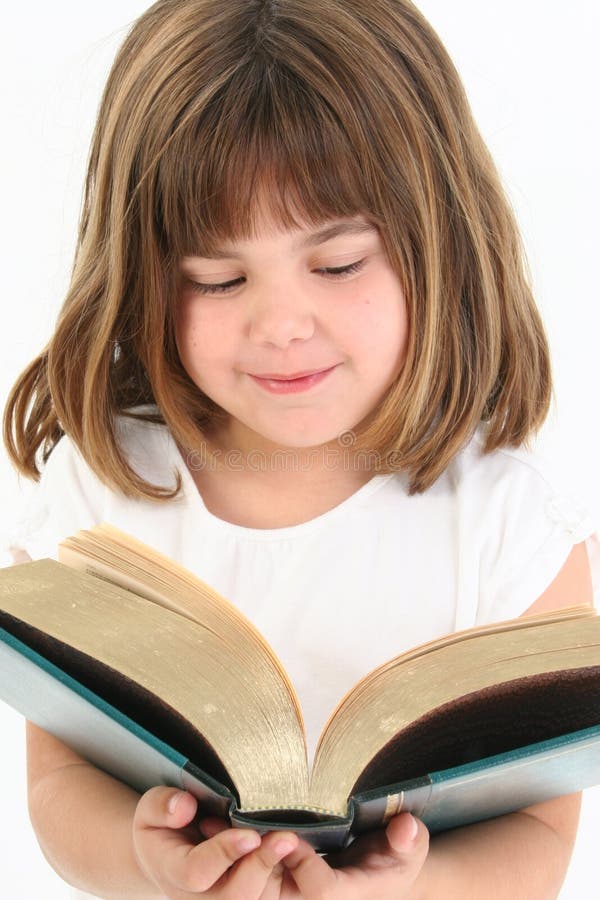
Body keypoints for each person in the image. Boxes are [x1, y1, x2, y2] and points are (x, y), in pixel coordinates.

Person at [3, 0, 597, 897]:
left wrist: (401, 891)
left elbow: (541, 834)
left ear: (437, 243)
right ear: (145, 272)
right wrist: (144, 860)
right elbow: (55, 784)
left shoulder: (507, 520)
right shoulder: (100, 490)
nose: (281, 324)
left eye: (339, 263)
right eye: (218, 277)